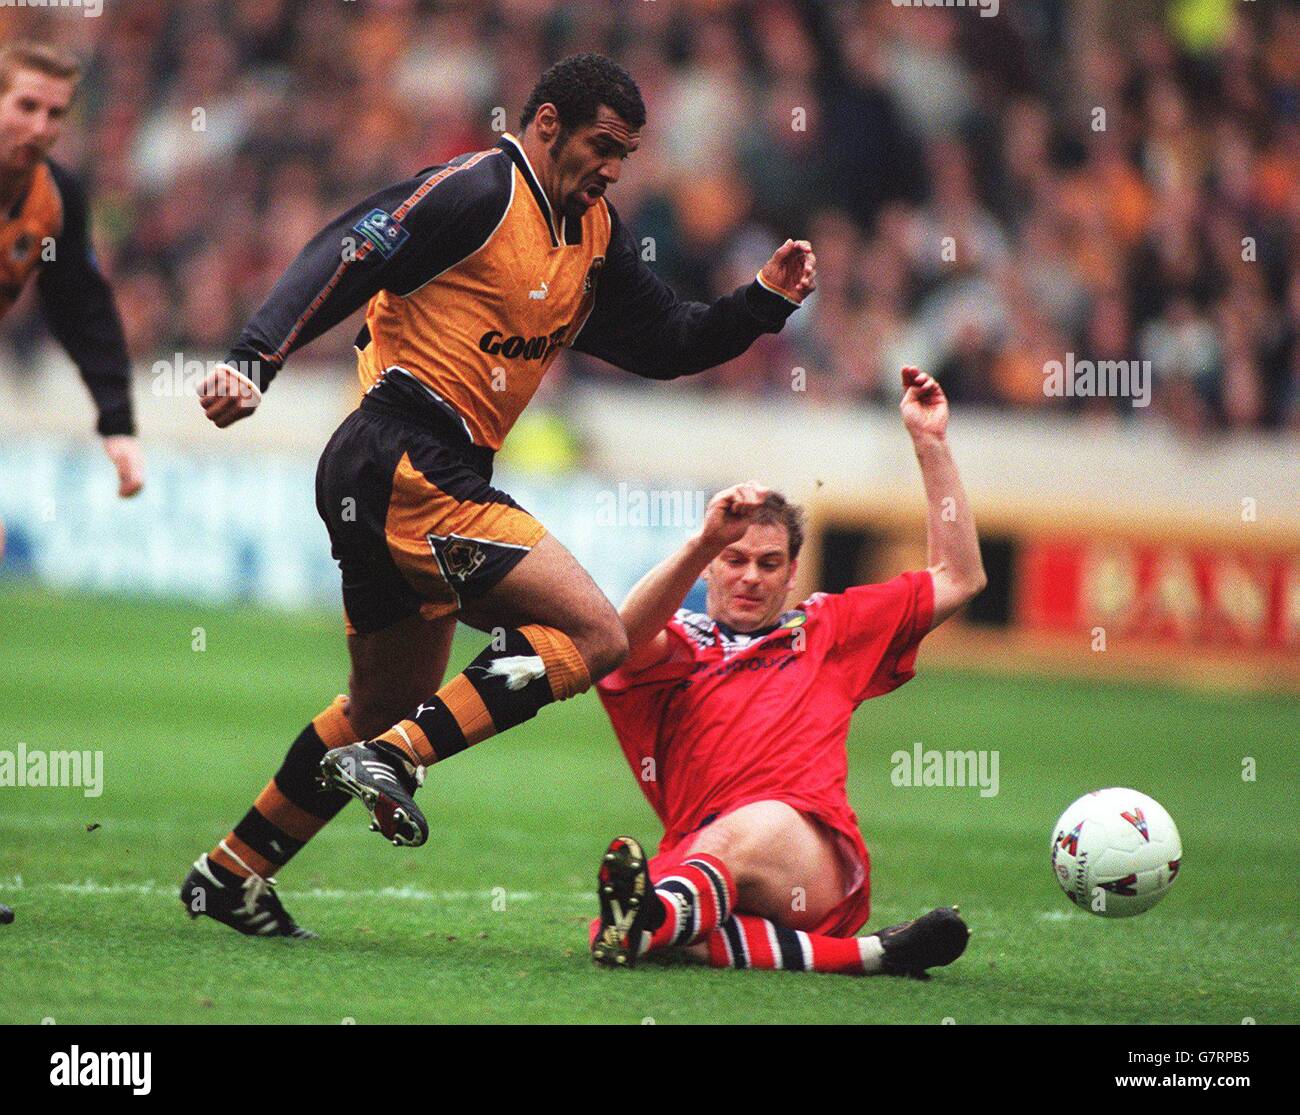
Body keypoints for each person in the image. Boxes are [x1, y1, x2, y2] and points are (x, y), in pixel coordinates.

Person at [181, 53, 816, 937]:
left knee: (379, 701)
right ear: (547, 123)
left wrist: (760, 303)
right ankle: (397, 757)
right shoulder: (480, 192)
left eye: (626, 154)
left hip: (414, 472)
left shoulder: (590, 232)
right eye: (602, 145)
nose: (613, 168)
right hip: (402, 452)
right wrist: (257, 356)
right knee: (598, 633)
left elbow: (666, 340)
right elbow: (350, 246)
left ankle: (231, 871)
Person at [590, 366, 983, 977]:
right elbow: (618, 639)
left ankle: (665, 918)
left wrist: (930, 444)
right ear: (710, 569)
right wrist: (699, 541)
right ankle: (867, 956)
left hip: (808, 860)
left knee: (748, 831)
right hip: (703, 858)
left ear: (792, 572)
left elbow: (959, 579)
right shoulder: (680, 646)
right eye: (734, 559)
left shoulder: (830, 629)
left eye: (769, 564)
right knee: (624, 928)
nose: (751, 575)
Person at [0, 41, 141, 498]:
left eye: (55, 113)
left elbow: (82, 309)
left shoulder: (56, 202)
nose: (40, 127)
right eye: (26, 106)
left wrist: (117, 423)